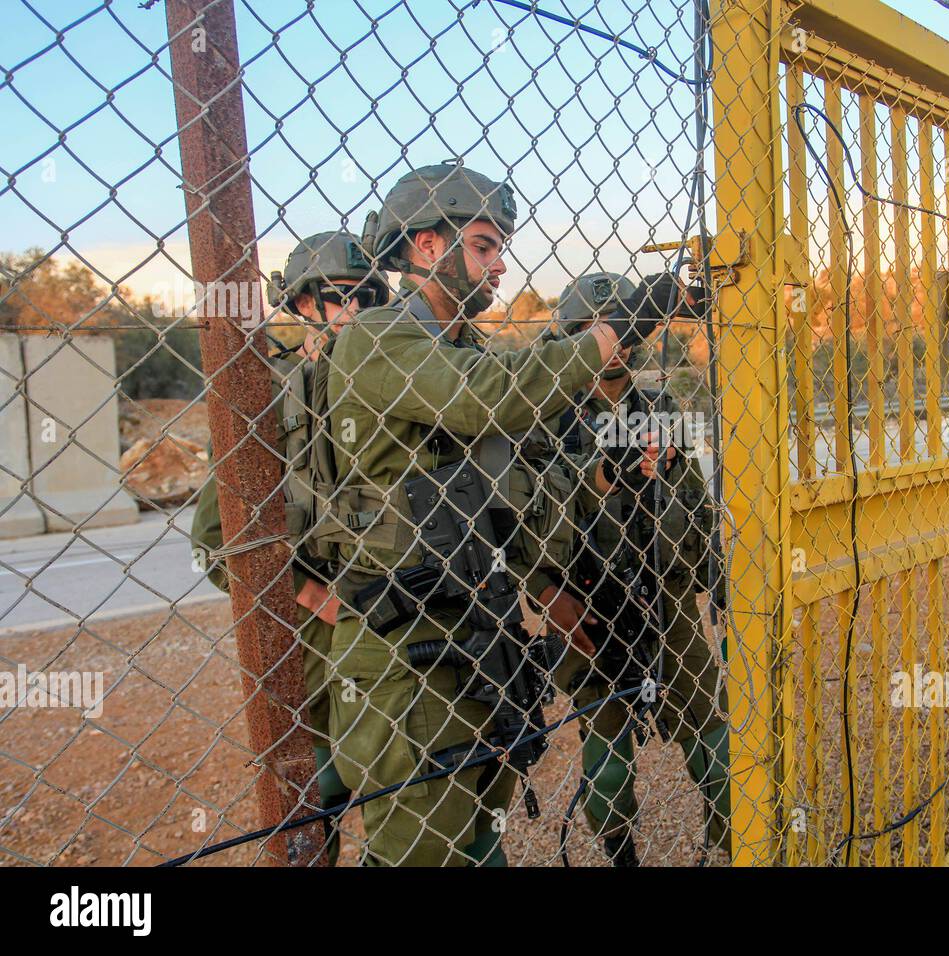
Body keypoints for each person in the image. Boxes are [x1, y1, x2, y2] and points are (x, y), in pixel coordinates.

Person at [322, 162, 651, 865]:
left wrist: (554, 590)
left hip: (480, 635)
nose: (500, 263)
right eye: (482, 244)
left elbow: (515, 492)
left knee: (478, 842)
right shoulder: (377, 340)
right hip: (405, 653)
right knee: (419, 851)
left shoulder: (469, 348)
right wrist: (605, 335)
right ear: (423, 248)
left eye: (500, 246)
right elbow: (490, 398)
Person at [190, 229, 389, 864]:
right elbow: (215, 542)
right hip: (313, 641)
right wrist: (312, 596)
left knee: (402, 792)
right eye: (341, 297)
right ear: (304, 305)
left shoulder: (393, 384)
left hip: (393, 625)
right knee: (317, 797)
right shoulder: (268, 396)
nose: (357, 311)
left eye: (370, 297)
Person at [546, 271, 731, 866]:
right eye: (598, 334)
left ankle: (736, 842)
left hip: (667, 594)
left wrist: (714, 567)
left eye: (625, 333)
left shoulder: (658, 403)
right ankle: (622, 852)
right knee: (606, 754)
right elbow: (538, 512)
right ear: (574, 339)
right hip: (592, 601)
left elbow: (692, 496)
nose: (617, 346)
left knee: (711, 728)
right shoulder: (550, 416)